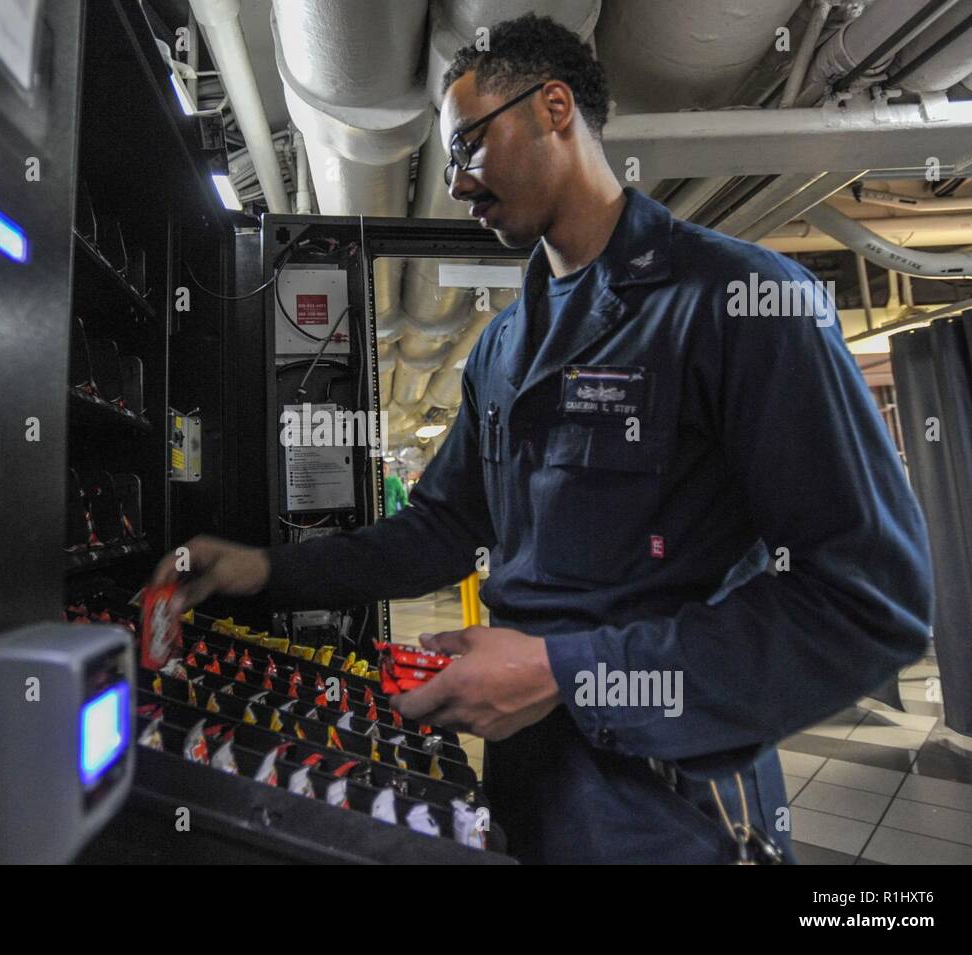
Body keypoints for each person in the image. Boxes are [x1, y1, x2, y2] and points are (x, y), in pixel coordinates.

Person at [151, 13, 932, 863]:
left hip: (665, 796)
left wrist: (568, 672)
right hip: (528, 772)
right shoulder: (504, 346)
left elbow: (868, 601)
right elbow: (443, 527)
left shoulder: (736, 300)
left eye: (467, 146)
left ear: (554, 107)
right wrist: (266, 570)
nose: (455, 184)